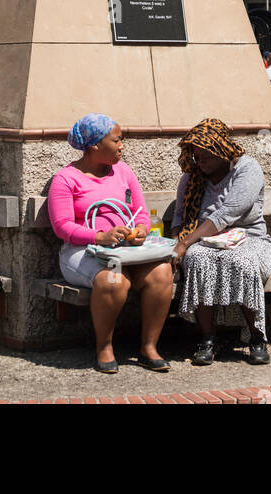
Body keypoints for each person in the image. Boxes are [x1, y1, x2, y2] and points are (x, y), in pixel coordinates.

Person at [47, 114, 173, 374]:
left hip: (127, 250)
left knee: (163, 272)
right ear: (94, 145)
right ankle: (104, 347)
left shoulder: (123, 171)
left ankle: (149, 347)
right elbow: (62, 226)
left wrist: (140, 229)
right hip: (84, 251)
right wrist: (98, 236)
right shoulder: (66, 179)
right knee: (115, 279)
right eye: (116, 140)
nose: (121, 146)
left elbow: (139, 210)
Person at [171, 119, 271, 366]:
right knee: (197, 258)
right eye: (196, 156)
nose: (200, 162)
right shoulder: (192, 177)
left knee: (242, 260)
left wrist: (184, 243)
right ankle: (208, 338)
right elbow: (179, 216)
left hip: (250, 238)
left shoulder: (247, 169)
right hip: (206, 241)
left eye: (206, 156)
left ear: (221, 150)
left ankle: (256, 337)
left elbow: (227, 213)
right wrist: (178, 241)